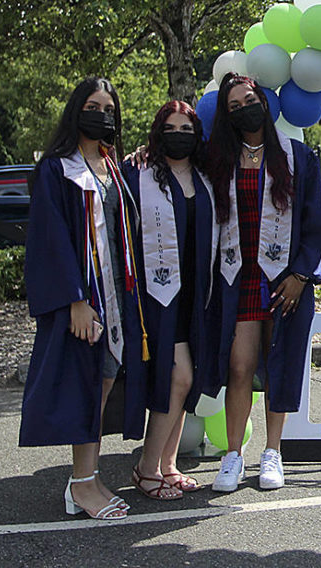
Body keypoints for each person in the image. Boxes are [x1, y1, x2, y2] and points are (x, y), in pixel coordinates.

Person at [20, 77, 148, 521]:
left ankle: (88, 478)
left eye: (109, 110)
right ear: (76, 110)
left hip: (116, 292)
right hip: (85, 297)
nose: (102, 115)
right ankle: (79, 484)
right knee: (86, 386)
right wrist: (75, 300)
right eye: (94, 106)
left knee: (106, 378)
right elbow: (49, 240)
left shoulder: (112, 168)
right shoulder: (57, 169)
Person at [204, 74, 321, 492]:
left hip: (283, 279)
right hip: (236, 277)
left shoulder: (298, 158)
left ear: (263, 101)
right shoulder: (218, 159)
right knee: (239, 365)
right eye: (234, 105)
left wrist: (300, 275)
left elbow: (316, 226)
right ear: (227, 116)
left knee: (278, 363)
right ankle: (232, 455)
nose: (245, 107)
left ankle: (273, 452)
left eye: (250, 99)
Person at [122, 101, 217, 499]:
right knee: (178, 377)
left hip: (197, 295)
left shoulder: (205, 175)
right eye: (170, 127)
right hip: (159, 296)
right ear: (158, 132)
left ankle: (168, 464)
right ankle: (146, 469)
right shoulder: (139, 172)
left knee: (185, 380)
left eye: (186, 128)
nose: (179, 134)